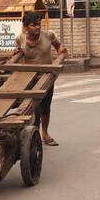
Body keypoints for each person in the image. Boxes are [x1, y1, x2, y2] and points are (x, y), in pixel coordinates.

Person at [13, 13, 67, 147]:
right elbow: (17, 52)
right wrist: (15, 54)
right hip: (29, 78)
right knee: (34, 108)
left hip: (47, 77)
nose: (37, 27)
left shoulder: (49, 35)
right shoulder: (20, 39)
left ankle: (45, 133)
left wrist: (62, 51)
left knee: (46, 107)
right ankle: (34, 132)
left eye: (39, 24)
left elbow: (59, 46)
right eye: (33, 25)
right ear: (26, 27)